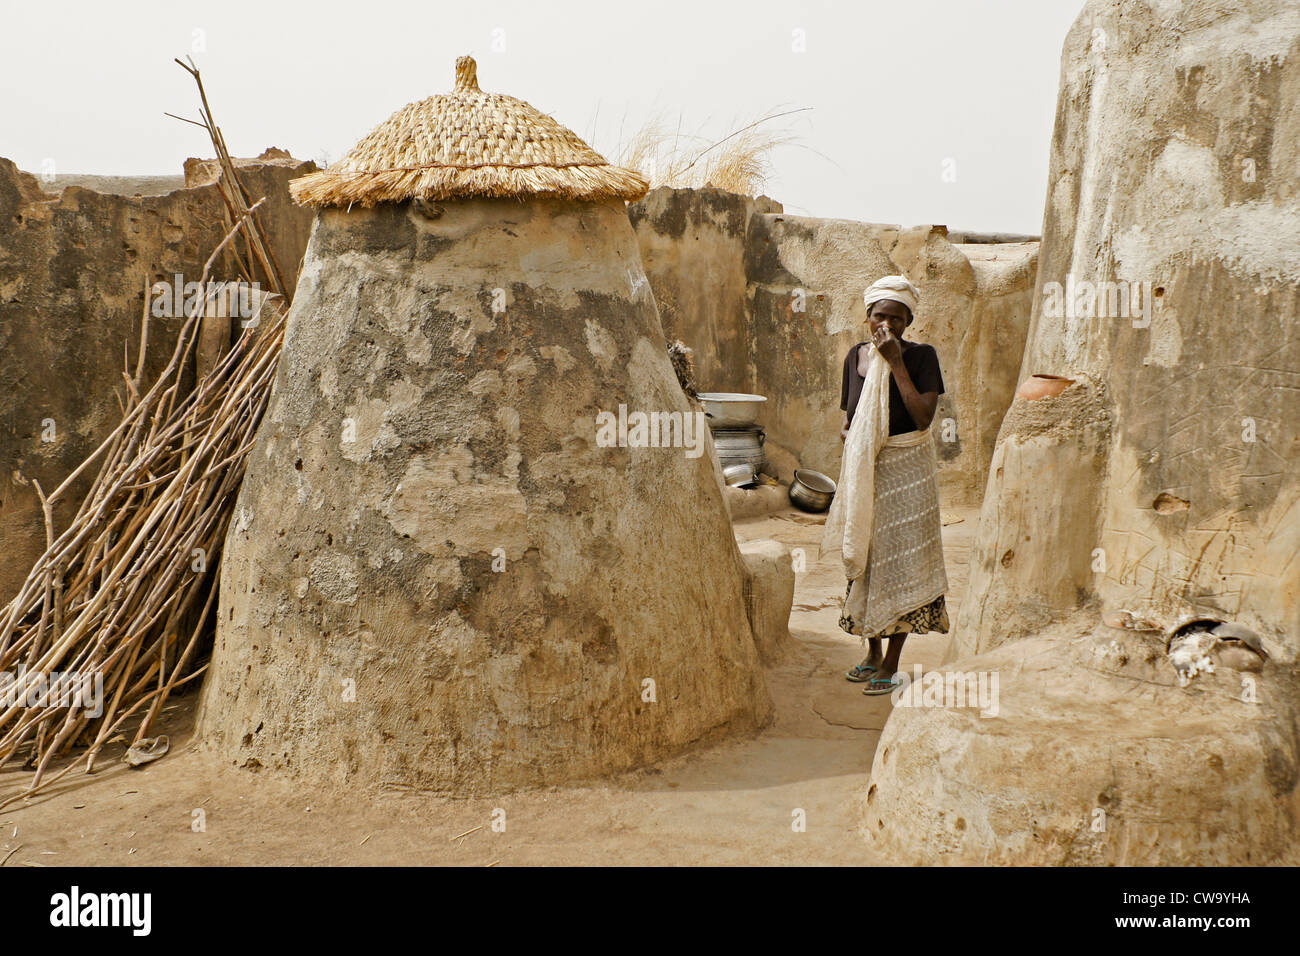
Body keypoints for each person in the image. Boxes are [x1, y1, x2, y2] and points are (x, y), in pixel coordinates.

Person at [822, 275, 949, 696]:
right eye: (881, 317)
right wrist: (852, 435)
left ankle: (892, 663)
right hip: (867, 471)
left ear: (908, 322)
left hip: (908, 470)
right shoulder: (854, 358)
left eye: (897, 319)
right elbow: (848, 418)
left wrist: (894, 362)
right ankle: (872, 653)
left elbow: (923, 417)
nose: (887, 326)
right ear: (867, 317)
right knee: (868, 555)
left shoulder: (921, 357)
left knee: (902, 562)